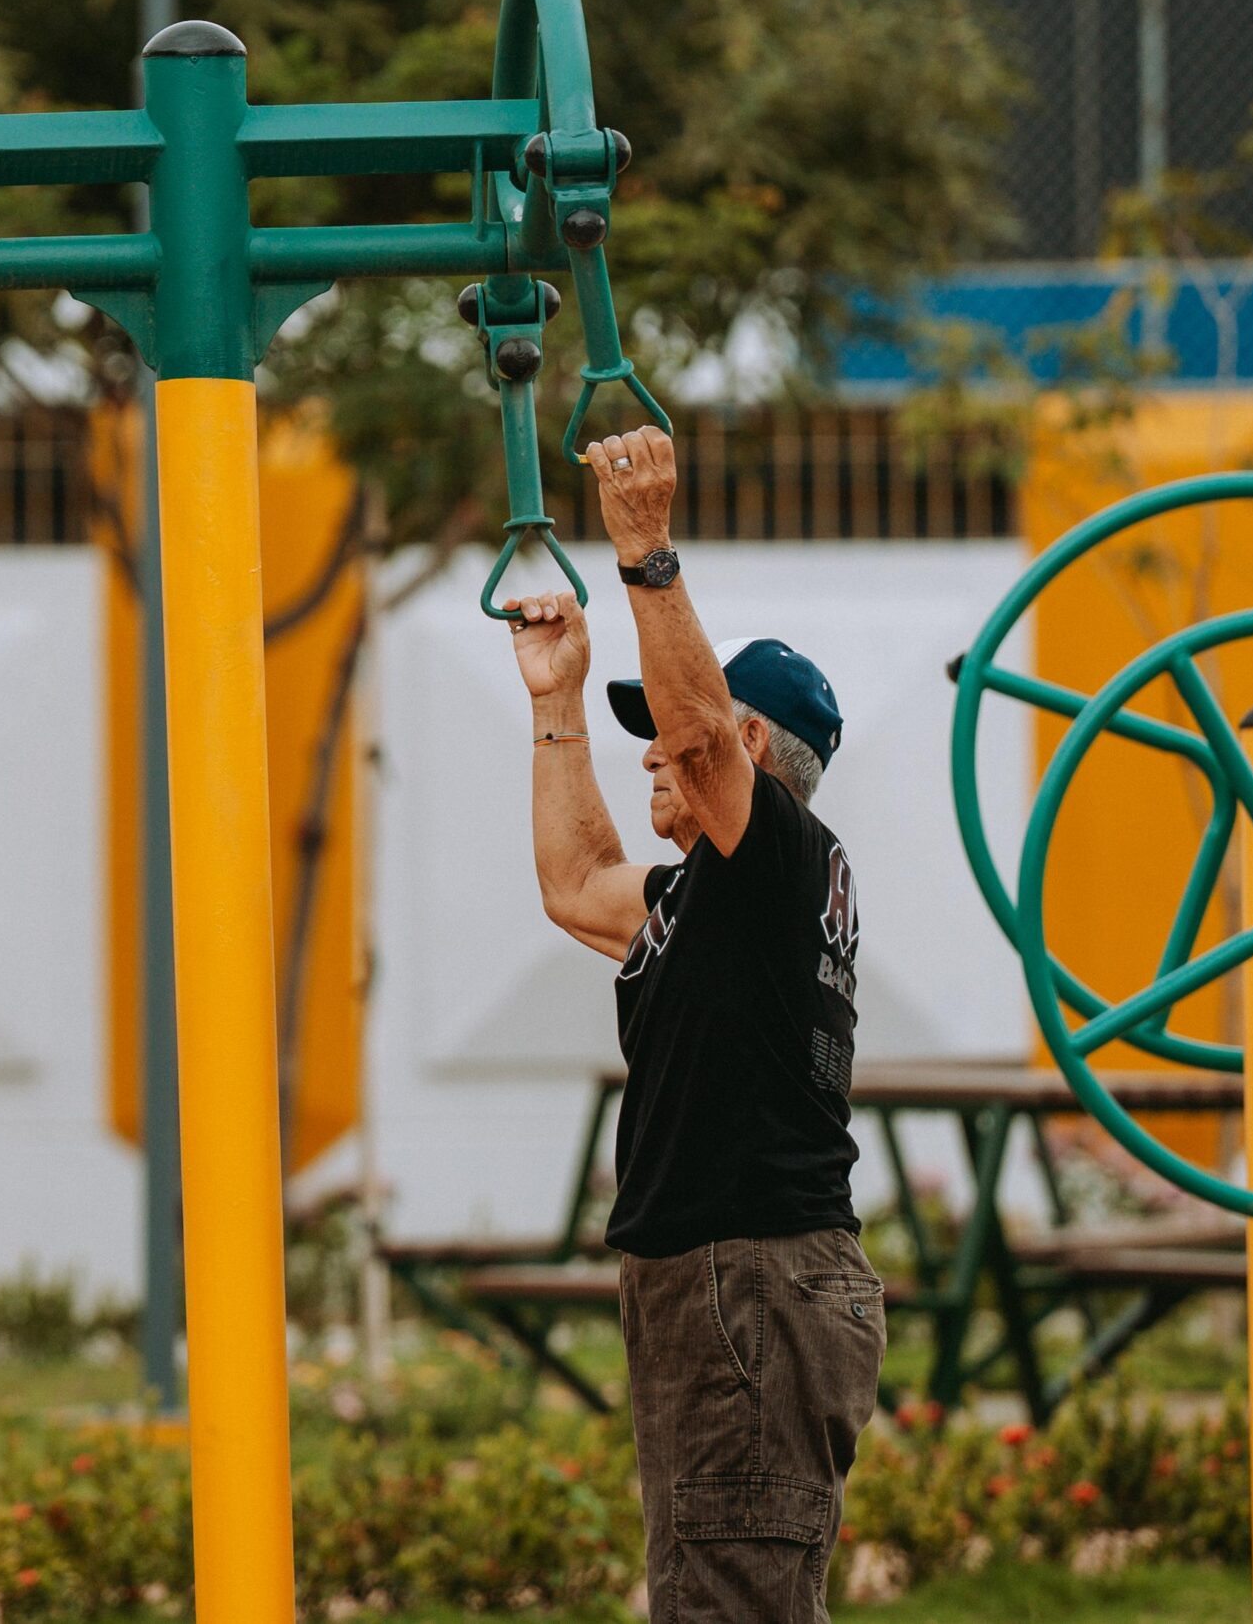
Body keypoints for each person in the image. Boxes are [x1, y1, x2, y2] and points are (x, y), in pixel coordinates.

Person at [507, 426, 879, 1622]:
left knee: (730, 1604)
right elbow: (575, 884)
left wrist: (646, 556)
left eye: (658, 738)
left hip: (749, 1285)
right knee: (720, 1596)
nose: (651, 758)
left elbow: (706, 736)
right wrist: (557, 699)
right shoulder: (705, 901)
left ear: (749, 746)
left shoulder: (774, 853)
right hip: (725, 1285)